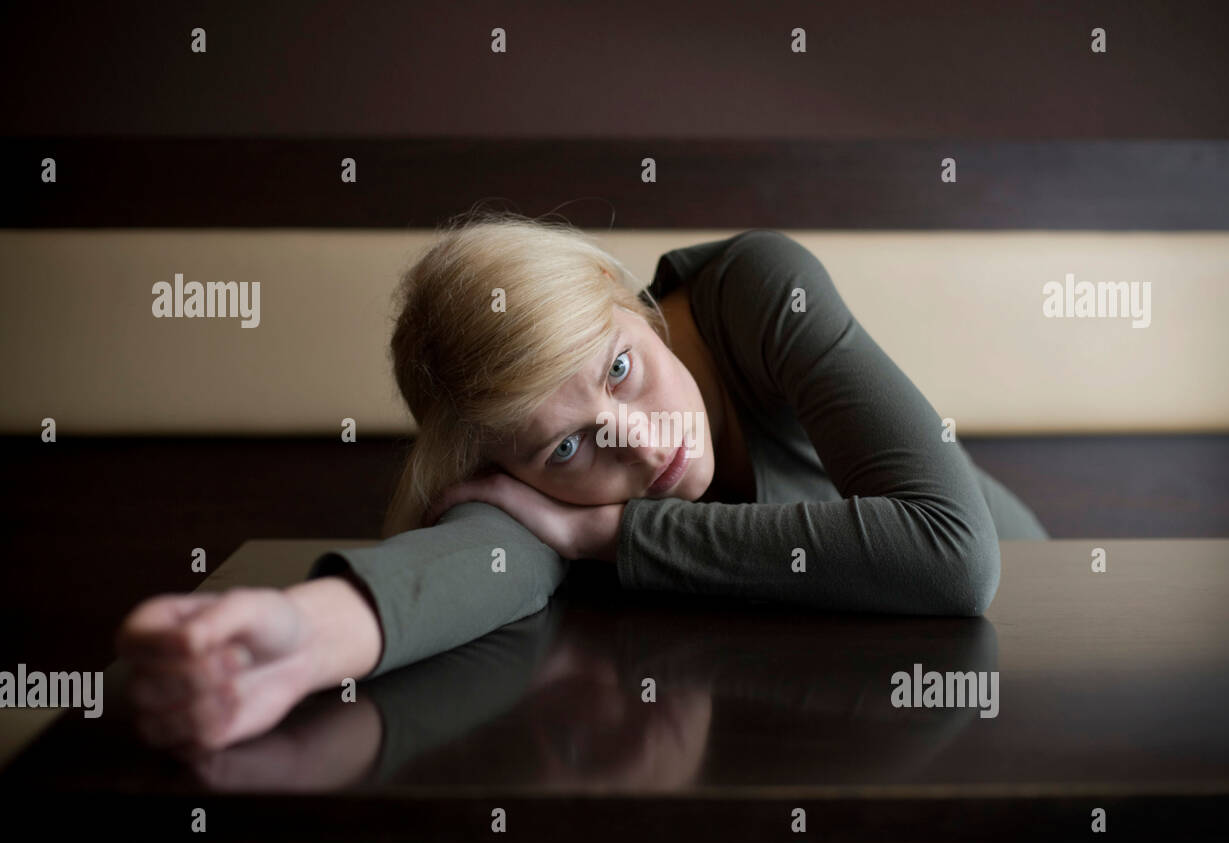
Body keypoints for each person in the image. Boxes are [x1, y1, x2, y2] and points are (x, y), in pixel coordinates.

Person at [115, 211, 1048, 752]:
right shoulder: (539, 480)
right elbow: (482, 554)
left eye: (618, 370)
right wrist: (307, 636)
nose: (641, 447)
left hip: (1038, 649)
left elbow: (953, 557)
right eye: (566, 452)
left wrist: (607, 536)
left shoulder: (762, 291)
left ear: (625, 300)